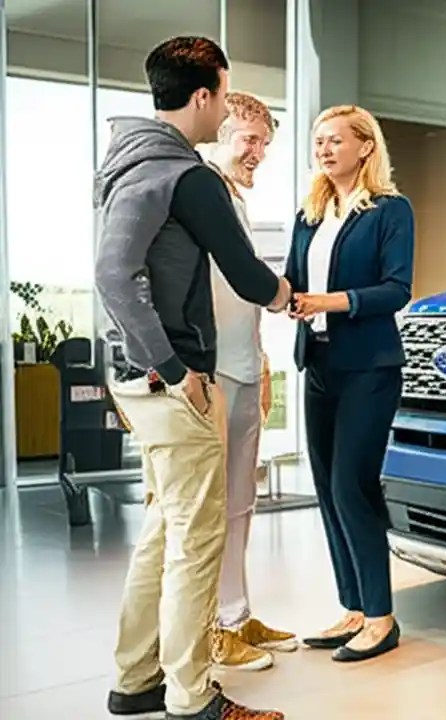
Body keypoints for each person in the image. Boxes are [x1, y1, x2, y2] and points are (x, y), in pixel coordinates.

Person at [94, 36, 290, 720]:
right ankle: (193, 697)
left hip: (135, 380)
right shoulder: (187, 176)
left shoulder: (128, 164)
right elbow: (244, 273)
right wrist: (176, 367)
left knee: (162, 531)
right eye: (222, 96)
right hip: (169, 381)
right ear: (203, 95)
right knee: (197, 540)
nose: (222, 117)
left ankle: (135, 678)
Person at [283, 104, 415, 662]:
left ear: (365, 146)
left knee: (350, 488)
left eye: (335, 140)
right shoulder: (310, 213)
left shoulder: (390, 210)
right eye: (318, 142)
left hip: (370, 367)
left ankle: (382, 617)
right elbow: (291, 276)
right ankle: (354, 608)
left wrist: (330, 302)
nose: (324, 150)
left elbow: (396, 289)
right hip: (319, 363)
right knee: (326, 490)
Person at [202, 90, 299, 672]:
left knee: (242, 502)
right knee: (213, 507)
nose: (258, 152)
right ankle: (211, 628)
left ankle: (235, 615)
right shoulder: (203, 192)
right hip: (211, 371)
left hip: (242, 366)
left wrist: (261, 363)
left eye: (264, 142)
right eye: (248, 140)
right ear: (221, 133)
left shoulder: (234, 199)